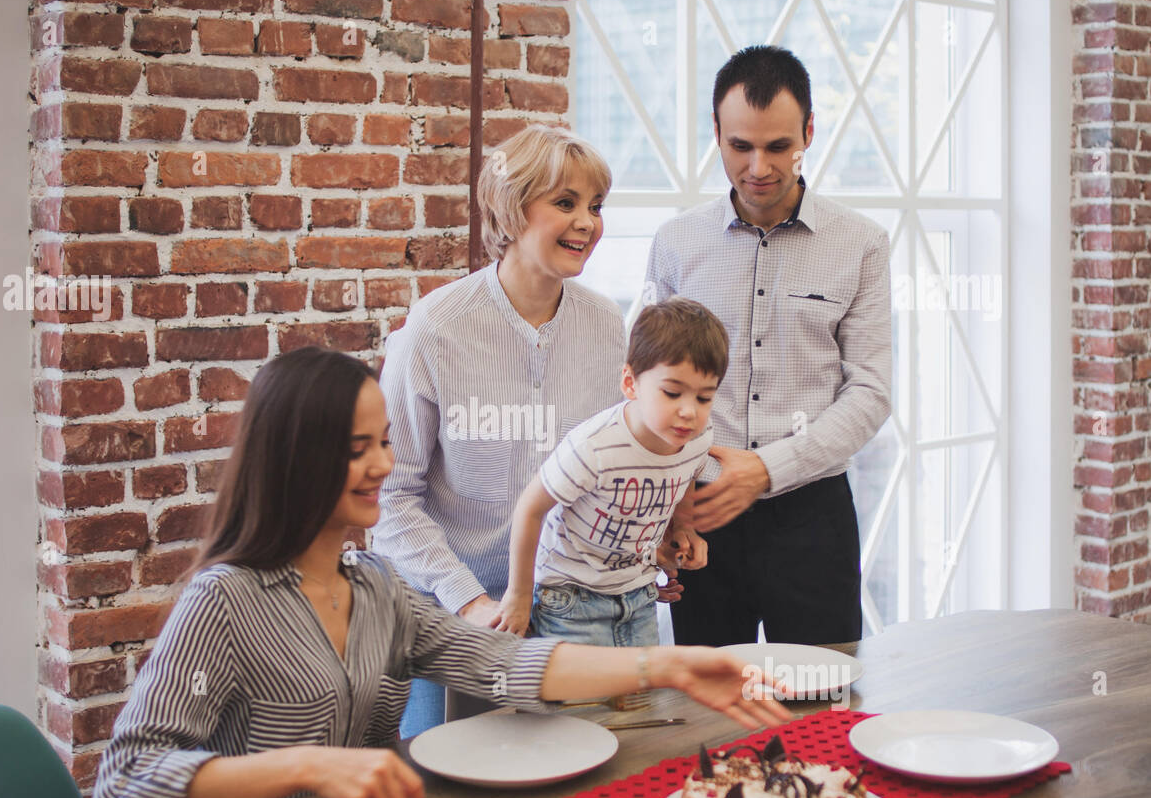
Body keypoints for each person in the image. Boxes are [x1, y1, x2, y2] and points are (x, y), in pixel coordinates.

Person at [90, 347, 792, 798]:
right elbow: (121, 787)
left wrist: (664, 668)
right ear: (295, 458)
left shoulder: (377, 587)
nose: (384, 467)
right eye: (357, 448)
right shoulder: (225, 602)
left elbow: (507, 662)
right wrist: (306, 766)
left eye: (386, 442)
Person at [375, 124, 644, 736]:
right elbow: (391, 498)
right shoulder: (435, 328)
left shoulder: (607, 326)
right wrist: (469, 600)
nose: (588, 223)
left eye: (596, 206)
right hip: (449, 620)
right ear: (513, 209)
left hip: (572, 615)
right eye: (566, 203)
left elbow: (609, 467)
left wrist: (642, 544)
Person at [643, 45, 892, 647]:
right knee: (705, 717)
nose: (758, 167)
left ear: (808, 132)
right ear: (717, 134)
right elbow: (651, 389)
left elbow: (871, 393)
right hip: (698, 516)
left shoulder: (863, 244)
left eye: (778, 146)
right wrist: (662, 513)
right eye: (740, 146)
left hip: (814, 519)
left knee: (822, 708)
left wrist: (766, 470)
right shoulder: (676, 245)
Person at [492, 298, 729, 647]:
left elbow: (687, 476)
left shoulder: (697, 440)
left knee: (639, 700)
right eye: (672, 393)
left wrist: (683, 526)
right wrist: (519, 596)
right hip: (570, 601)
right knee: (580, 703)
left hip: (639, 596)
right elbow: (531, 506)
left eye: (704, 398)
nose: (689, 412)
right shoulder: (595, 447)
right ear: (631, 383)